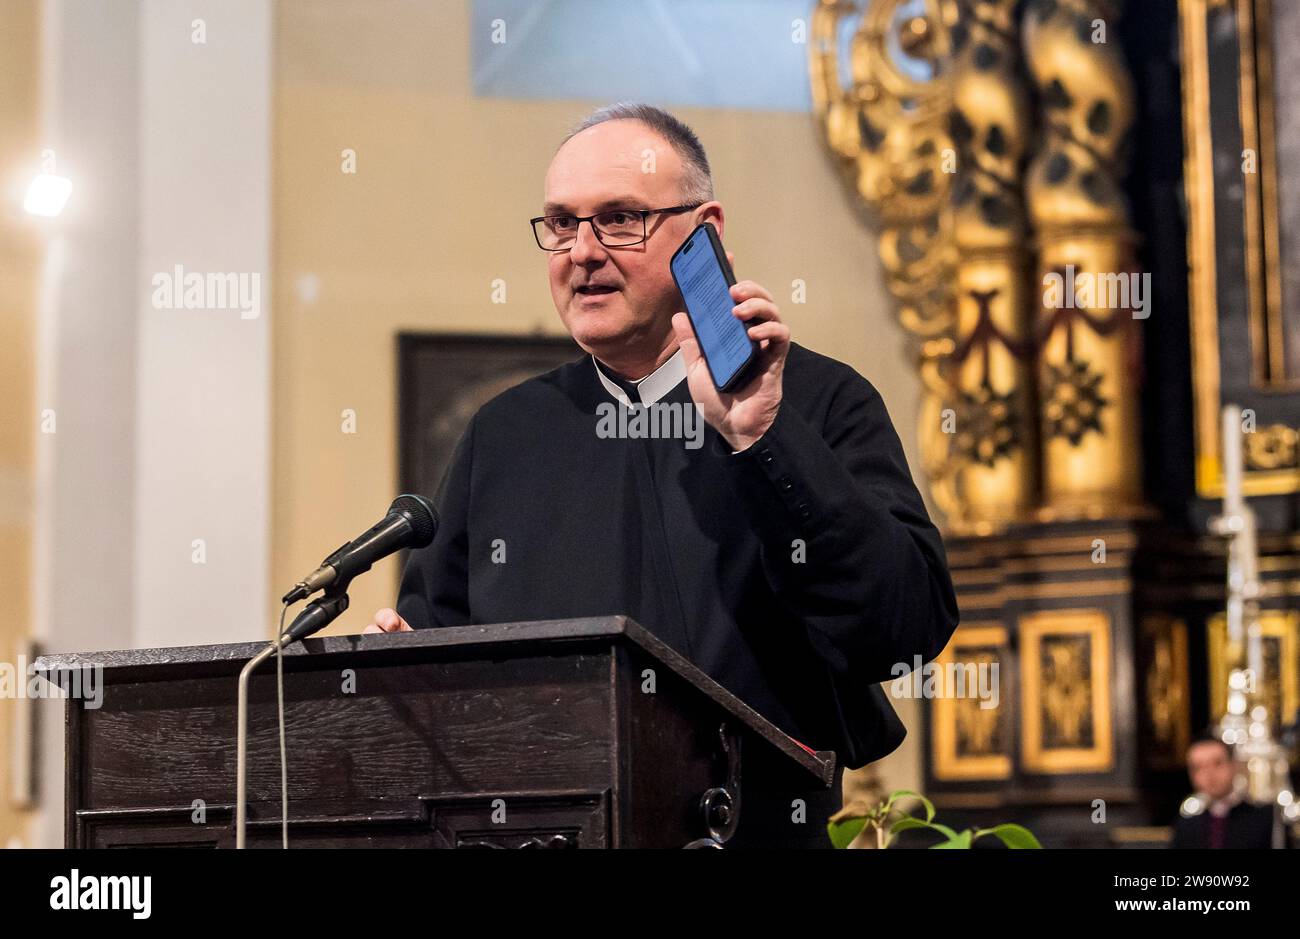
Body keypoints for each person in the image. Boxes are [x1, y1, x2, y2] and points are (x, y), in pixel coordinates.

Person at [365, 102, 959, 844]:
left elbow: (902, 629)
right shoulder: (505, 433)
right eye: (561, 222)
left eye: (618, 219)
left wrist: (765, 437)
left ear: (704, 232)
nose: (582, 251)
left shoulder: (818, 400)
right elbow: (443, 652)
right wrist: (405, 669)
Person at [1171, 734, 1278, 849]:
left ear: (1233, 765)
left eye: (1217, 763)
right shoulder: (1186, 826)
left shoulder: (1264, 819)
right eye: (1199, 767)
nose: (1209, 774)